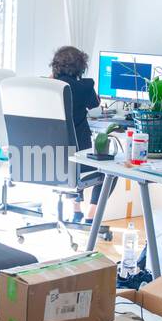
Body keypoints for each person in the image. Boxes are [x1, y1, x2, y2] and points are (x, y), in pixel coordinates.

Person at [49, 45, 102, 222]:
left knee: (69, 155)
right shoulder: (84, 87)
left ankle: (76, 210)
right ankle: (91, 216)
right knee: (112, 170)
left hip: (44, 160)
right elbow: (95, 106)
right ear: (81, 67)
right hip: (76, 162)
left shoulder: (45, 87)